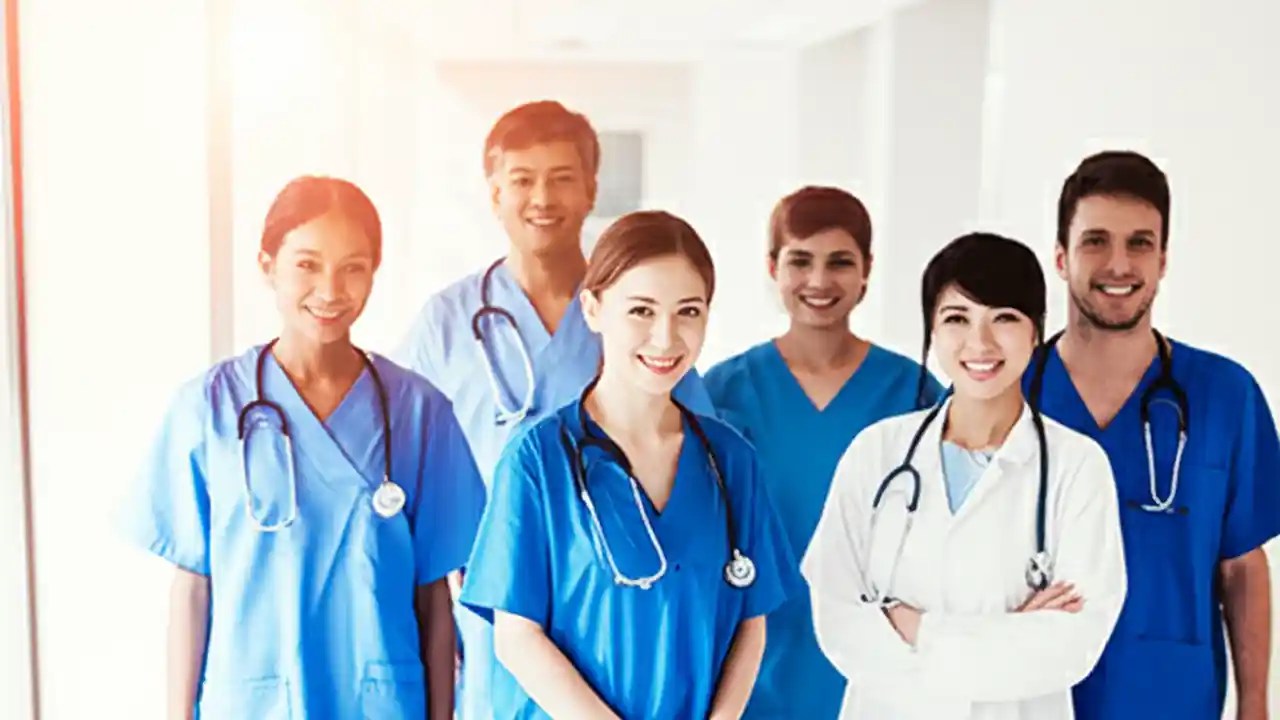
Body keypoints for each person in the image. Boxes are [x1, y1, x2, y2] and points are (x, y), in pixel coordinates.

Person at [121, 176, 485, 720]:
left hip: (380, 701)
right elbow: (193, 587)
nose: (331, 290)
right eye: (307, 265)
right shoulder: (209, 408)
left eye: (353, 268)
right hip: (253, 700)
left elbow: (433, 597)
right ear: (268, 264)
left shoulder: (418, 411)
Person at [395, 100, 714, 720]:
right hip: (491, 596)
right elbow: (404, 466)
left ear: (592, 188)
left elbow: (694, 453)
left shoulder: (635, 312)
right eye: (521, 179)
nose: (542, 197)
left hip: (614, 594)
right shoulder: (446, 323)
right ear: (493, 193)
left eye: (562, 177)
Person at [458, 210, 801, 719]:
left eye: (688, 312)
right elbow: (516, 637)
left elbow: (751, 624)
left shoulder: (729, 462)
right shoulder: (538, 459)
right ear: (593, 310)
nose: (666, 339)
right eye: (641, 311)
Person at [803, 232, 1128, 719]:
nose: (980, 342)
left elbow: (1073, 646)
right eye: (957, 318)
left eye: (1004, 319)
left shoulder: (1076, 467)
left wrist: (911, 626)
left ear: (1036, 332)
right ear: (931, 331)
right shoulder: (877, 454)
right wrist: (1010, 635)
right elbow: (839, 624)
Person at [1024, 150, 1280, 719]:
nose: (1119, 264)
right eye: (1096, 241)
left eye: (1139, 242)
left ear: (1163, 259)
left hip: (1172, 698)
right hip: (1030, 698)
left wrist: (1256, 706)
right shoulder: (1006, 396)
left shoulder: (1224, 395)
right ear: (1062, 258)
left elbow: (1241, 565)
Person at [703, 185, 943, 719]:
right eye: (800, 261)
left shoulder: (915, 393)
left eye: (839, 262)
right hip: (757, 659)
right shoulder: (722, 393)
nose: (818, 281)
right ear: (772, 267)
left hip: (880, 655)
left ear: (867, 270)